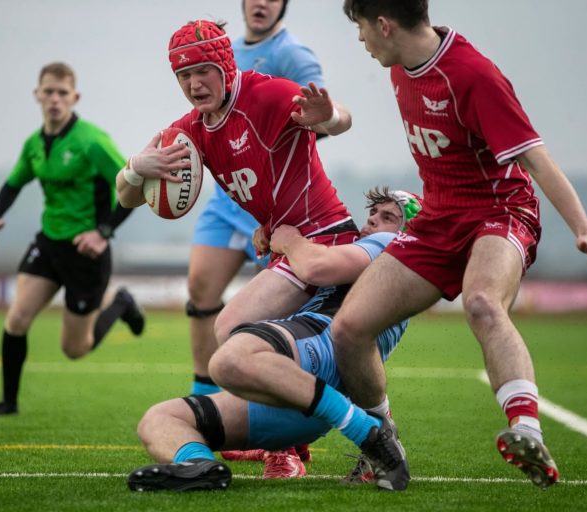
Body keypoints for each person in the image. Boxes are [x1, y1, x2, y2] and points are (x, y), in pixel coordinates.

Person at [333, 0, 587, 491]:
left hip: (500, 211)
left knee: (483, 302)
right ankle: (384, 442)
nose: (360, 41)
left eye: (361, 29)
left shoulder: (473, 74)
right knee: (349, 328)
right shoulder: (400, 67)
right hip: (439, 219)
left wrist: (583, 229)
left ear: (383, 24)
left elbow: (537, 158)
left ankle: (526, 430)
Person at [126, 188, 419, 492]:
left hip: (319, 355)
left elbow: (317, 265)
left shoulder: (393, 247)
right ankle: (202, 467)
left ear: (408, 232)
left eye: (387, 217)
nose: (371, 220)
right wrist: (276, 242)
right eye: (373, 212)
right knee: (158, 419)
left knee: (229, 359)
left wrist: (289, 240)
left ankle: (367, 432)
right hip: (300, 400)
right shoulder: (362, 253)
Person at [117, 20, 358, 363]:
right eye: (184, 76)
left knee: (232, 327)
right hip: (283, 246)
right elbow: (126, 197)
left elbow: (344, 119)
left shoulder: (266, 94)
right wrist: (136, 169)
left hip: (325, 237)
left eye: (203, 71)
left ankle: (335, 405)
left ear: (226, 66)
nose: (194, 84)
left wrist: (330, 116)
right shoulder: (191, 131)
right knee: (240, 338)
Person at [185, 0, 327, 477]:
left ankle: (284, 438)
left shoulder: (291, 55)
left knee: (270, 317)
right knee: (202, 293)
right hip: (229, 200)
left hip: (276, 204)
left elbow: (320, 120)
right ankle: (207, 404)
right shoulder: (212, 54)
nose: (261, 2)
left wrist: (273, 162)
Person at [0, 62, 144, 417]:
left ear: (75, 97)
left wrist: (103, 233)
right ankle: (8, 403)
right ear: (37, 95)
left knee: (74, 348)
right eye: (48, 92)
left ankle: (120, 304)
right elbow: (13, 183)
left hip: (87, 252)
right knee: (17, 319)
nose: (54, 99)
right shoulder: (34, 144)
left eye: (62, 93)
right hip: (49, 243)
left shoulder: (92, 141)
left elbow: (133, 188)